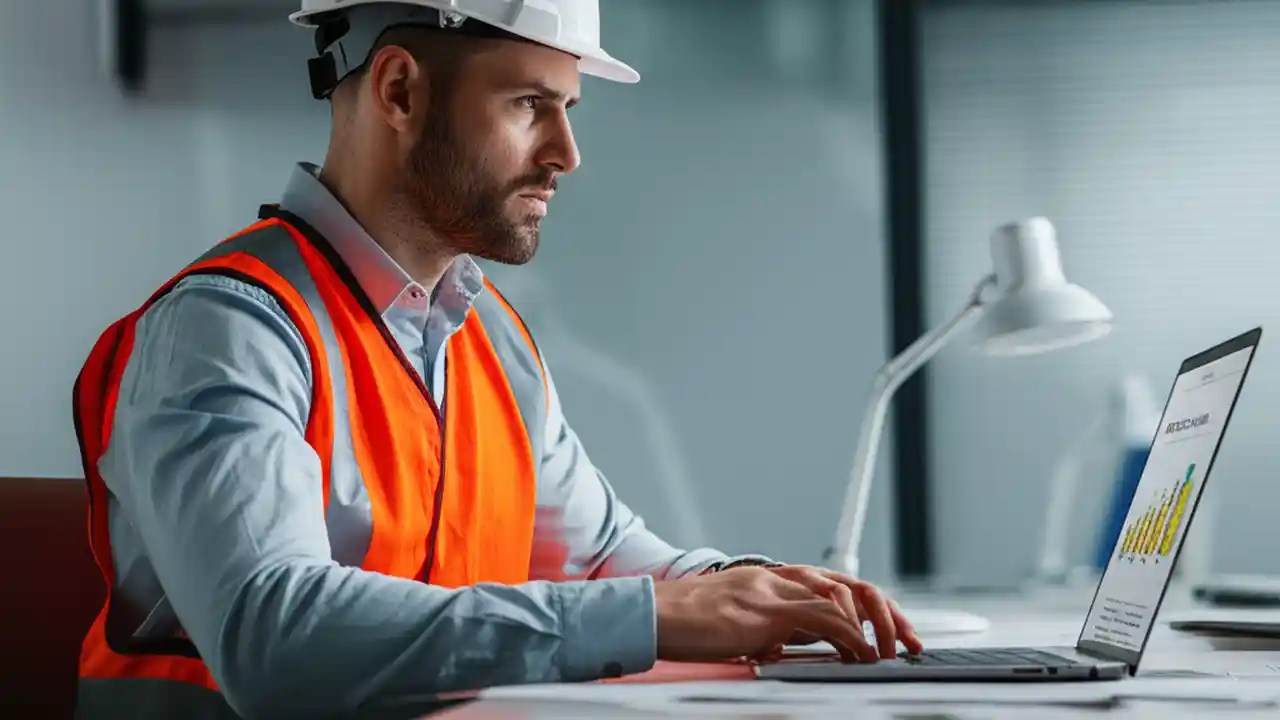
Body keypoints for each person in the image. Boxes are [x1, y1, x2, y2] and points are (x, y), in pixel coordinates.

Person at [72, 1, 922, 717]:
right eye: (528, 104)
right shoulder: (230, 327)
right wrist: (653, 615)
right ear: (400, 89)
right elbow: (273, 636)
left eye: (567, 110)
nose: (566, 153)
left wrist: (753, 585)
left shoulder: (487, 339)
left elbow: (598, 556)